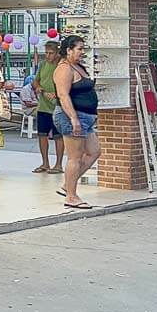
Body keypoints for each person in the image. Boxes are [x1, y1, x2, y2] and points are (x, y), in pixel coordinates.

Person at [53, 35, 100, 209]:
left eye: (83, 49)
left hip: (85, 117)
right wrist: (74, 119)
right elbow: (63, 95)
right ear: (68, 50)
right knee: (75, 157)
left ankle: (68, 184)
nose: (82, 52)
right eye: (79, 49)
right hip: (72, 117)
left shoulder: (77, 67)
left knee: (94, 151)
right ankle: (71, 196)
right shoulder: (64, 69)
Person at [31, 41, 65, 175]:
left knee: (58, 136)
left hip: (57, 106)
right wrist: (37, 87)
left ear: (57, 53)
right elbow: (35, 80)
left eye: (51, 53)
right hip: (43, 105)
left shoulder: (62, 66)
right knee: (42, 135)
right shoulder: (43, 64)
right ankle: (45, 163)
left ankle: (58, 164)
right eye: (46, 53)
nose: (48, 56)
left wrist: (58, 94)